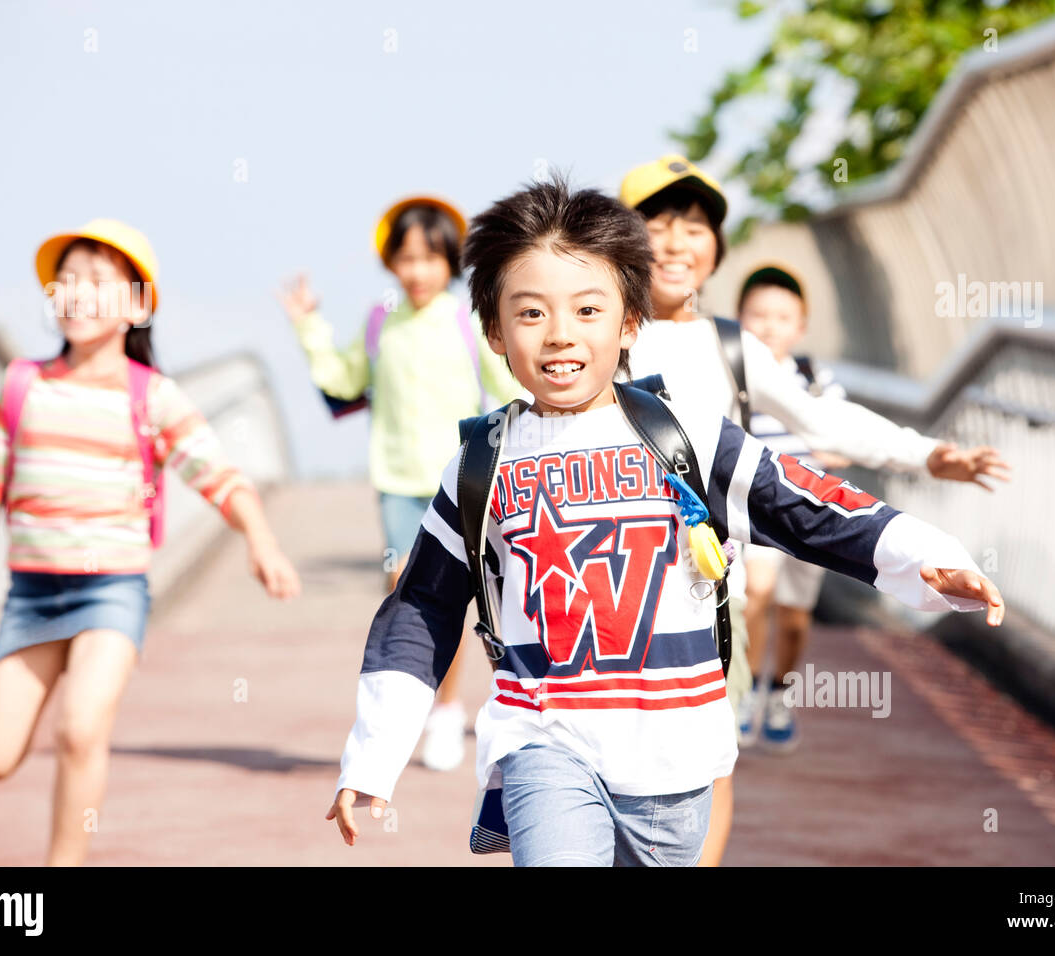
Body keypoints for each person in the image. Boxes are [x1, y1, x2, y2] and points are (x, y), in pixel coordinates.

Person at [326, 177, 1005, 866]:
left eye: (588, 310)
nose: (560, 334)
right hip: (543, 738)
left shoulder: (684, 439)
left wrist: (923, 555)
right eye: (530, 314)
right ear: (495, 330)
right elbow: (421, 608)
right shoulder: (480, 464)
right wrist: (373, 755)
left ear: (628, 323)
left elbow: (803, 506)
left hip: (673, 751)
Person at [618, 154, 1011, 865]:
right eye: (658, 224)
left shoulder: (731, 346)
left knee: (711, 760)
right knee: (617, 768)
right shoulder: (594, 335)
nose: (677, 243)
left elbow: (823, 422)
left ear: (717, 249)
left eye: (697, 227)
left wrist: (925, 455)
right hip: (610, 594)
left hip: (710, 592)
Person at [0, 220, 300, 866]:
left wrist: (262, 543)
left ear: (138, 305)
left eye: (98, 280)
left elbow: (223, 478)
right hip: (32, 597)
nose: (78, 293)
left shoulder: (152, 397)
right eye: (68, 280)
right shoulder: (22, 385)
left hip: (111, 591)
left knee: (81, 729)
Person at [279, 197, 524, 772]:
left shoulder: (468, 320)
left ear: (450, 261)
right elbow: (343, 379)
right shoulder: (378, 321)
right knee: (406, 589)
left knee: (455, 596)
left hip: (461, 480)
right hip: (395, 481)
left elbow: (506, 381)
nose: (417, 271)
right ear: (391, 263)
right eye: (406, 258)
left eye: (430, 258)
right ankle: (422, 708)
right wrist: (308, 326)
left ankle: (445, 713)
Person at [734, 263, 852, 750]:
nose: (769, 325)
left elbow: (843, 442)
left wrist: (830, 450)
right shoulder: (733, 373)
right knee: (756, 593)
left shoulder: (814, 378)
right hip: (756, 508)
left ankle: (777, 693)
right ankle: (741, 693)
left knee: (796, 616)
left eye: (782, 317)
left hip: (810, 512)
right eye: (758, 314)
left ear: (800, 326)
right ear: (737, 318)